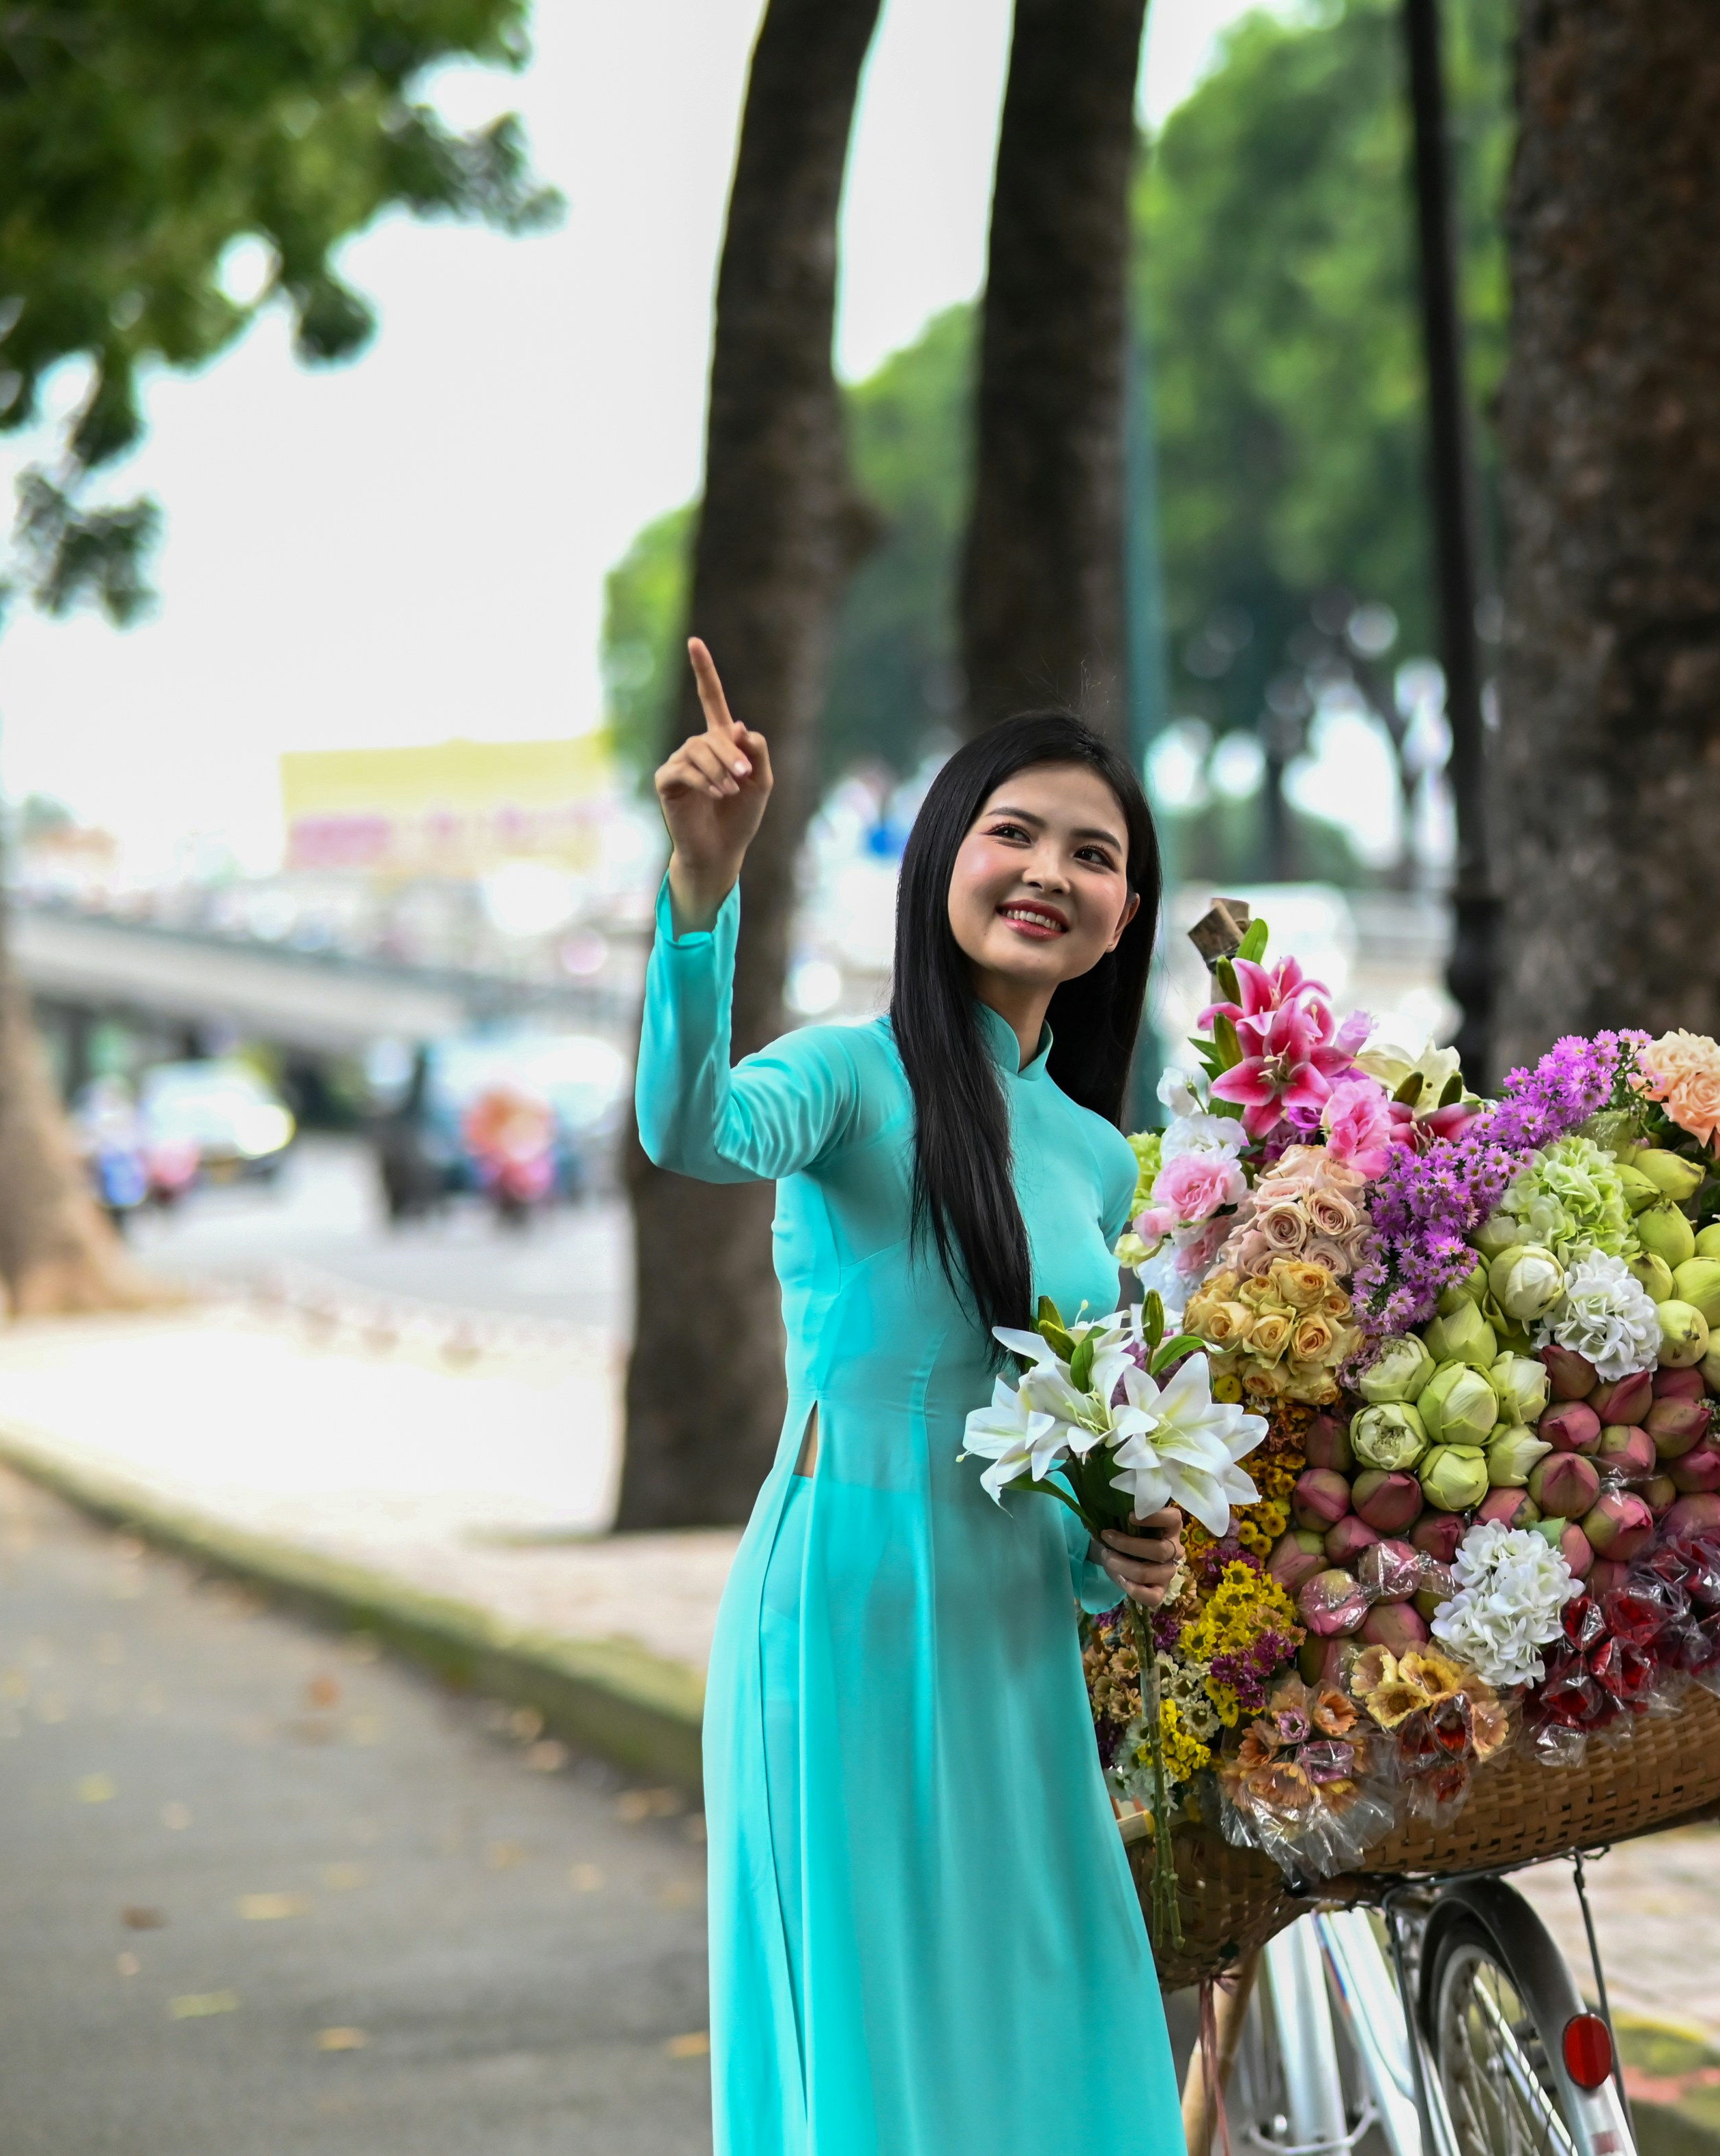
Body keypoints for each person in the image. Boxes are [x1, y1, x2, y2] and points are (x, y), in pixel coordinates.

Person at [640, 640, 1188, 2155]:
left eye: (1093, 854)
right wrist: (704, 885)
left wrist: (1117, 1543)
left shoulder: (1098, 1158)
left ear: (1126, 914)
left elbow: (1065, 1440)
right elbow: (690, 1127)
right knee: (876, 2048)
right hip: (847, 1608)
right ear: (943, 852)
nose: (1049, 872)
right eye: (1014, 831)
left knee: (1056, 2025)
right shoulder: (847, 1076)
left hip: (1016, 1631)